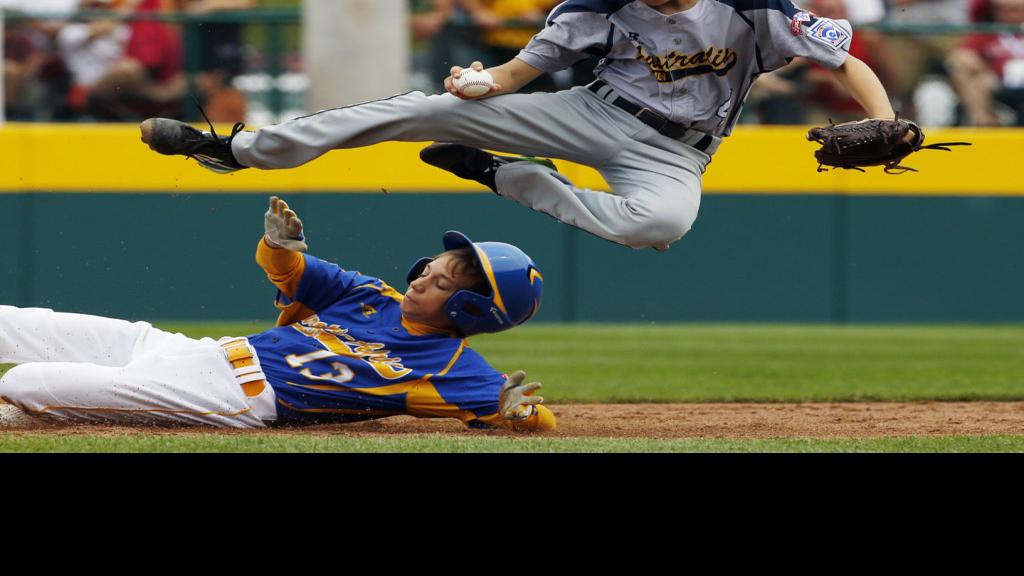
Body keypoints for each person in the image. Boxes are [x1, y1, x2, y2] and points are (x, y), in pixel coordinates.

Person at [139, 0, 902, 251]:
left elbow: (850, 63)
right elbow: (512, 77)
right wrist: (480, 82)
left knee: (659, 227)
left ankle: (497, 174)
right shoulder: (597, 6)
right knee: (424, 108)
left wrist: (890, 122)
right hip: (590, 114)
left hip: (677, 154)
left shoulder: (756, 6)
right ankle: (235, 148)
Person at [0, 197, 554, 431]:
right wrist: (280, 244)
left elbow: (530, 420)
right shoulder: (371, 295)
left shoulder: (454, 367)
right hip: (197, 352)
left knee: (30, 381)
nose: (420, 281)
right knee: (21, 323)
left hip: (235, 398)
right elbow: (289, 270)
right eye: (428, 270)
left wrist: (517, 415)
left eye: (439, 284)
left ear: (469, 309)